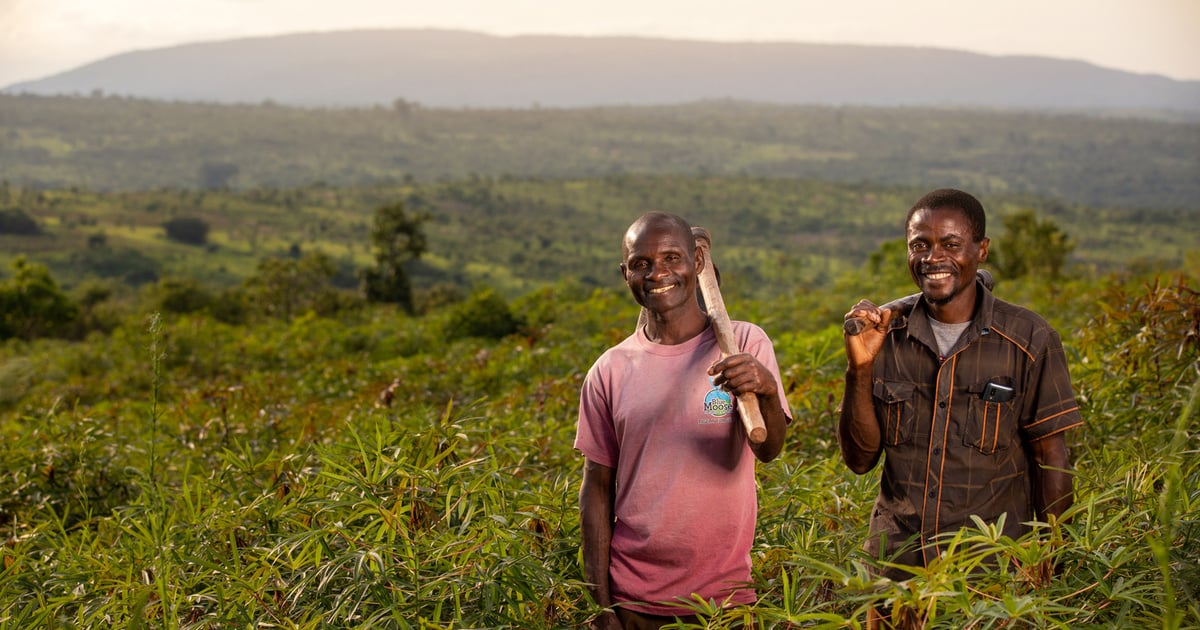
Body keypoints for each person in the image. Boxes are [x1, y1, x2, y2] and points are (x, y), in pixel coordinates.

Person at [838, 189, 1083, 619]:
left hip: (988, 576)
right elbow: (860, 460)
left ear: (980, 249)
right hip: (895, 571)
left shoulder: (1028, 340)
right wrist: (860, 368)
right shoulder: (883, 340)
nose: (933, 257)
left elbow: (1052, 456)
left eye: (951, 244)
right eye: (920, 245)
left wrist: (1049, 555)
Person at [576, 212, 792, 630]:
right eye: (642, 263)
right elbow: (596, 490)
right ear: (626, 274)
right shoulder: (610, 370)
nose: (658, 273)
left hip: (724, 599)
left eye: (672, 257)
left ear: (697, 264)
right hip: (633, 600)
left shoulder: (744, 344)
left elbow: (768, 449)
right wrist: (600, 607)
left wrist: (763, 388)